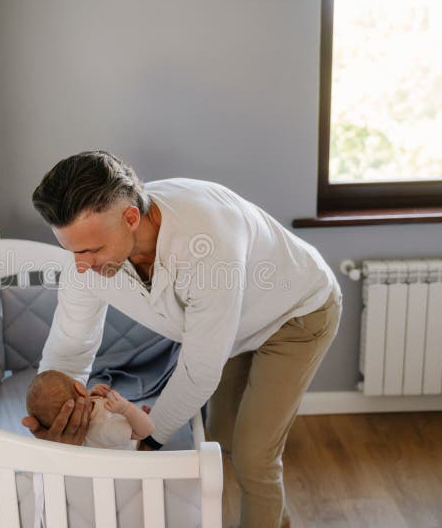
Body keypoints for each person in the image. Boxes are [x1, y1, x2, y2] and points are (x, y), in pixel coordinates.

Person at [21, 150, 342, 527]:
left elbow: (199, 370)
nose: (81, 265)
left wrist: (145, 440)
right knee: (221, 435)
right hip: (234, 326)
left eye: (92, 249)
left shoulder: (207, 242)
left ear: (130, 218)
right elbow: (70, 348)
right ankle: (279, 519)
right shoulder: (84, 261)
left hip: (296, 314)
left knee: (254, 456)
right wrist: (56, 415)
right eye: (72, 249)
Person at [25, 370, 154, 449]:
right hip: (135, 447)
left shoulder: (73, 435)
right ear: (80, 388)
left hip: (111, 442)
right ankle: (139, 417)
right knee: (142, 428)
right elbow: (147, 430)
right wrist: (127, 409)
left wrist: (92, 395)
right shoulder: (107, 425)